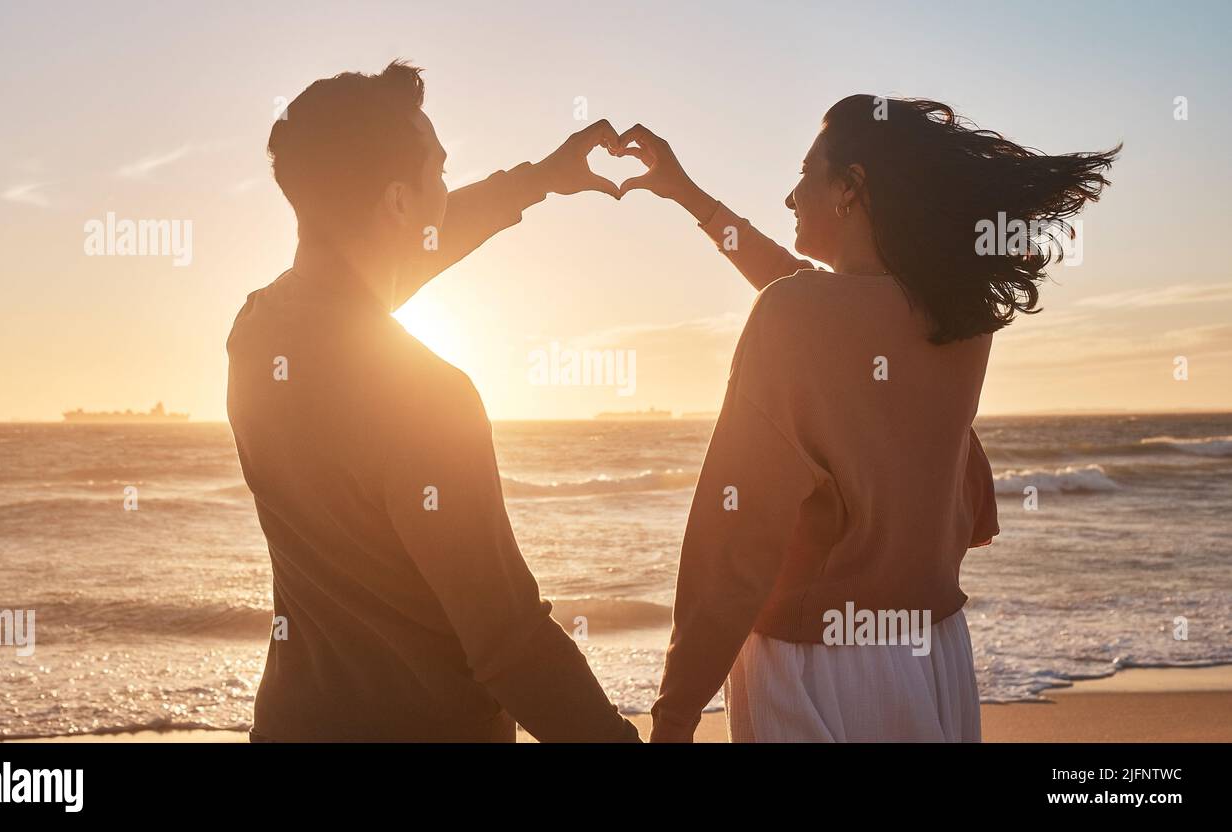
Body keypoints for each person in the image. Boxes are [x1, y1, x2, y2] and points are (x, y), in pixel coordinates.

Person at [612, 97, 1119, 742]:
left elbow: (732, 538)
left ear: (850, 188)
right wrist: (686, 194)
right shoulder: (955, 318)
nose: (792, 197)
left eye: (805, 174)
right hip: (934, 650)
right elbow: (814, 301)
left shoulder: (793, 317)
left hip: (816, 662)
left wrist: (678, 709)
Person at [226, 61, 638, 742]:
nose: (447, 190)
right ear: (396, 202)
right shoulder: (424, 397)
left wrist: (536, 180)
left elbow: (377, 269)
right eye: (439, 173)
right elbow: (511, 645)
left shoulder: (256, 331)